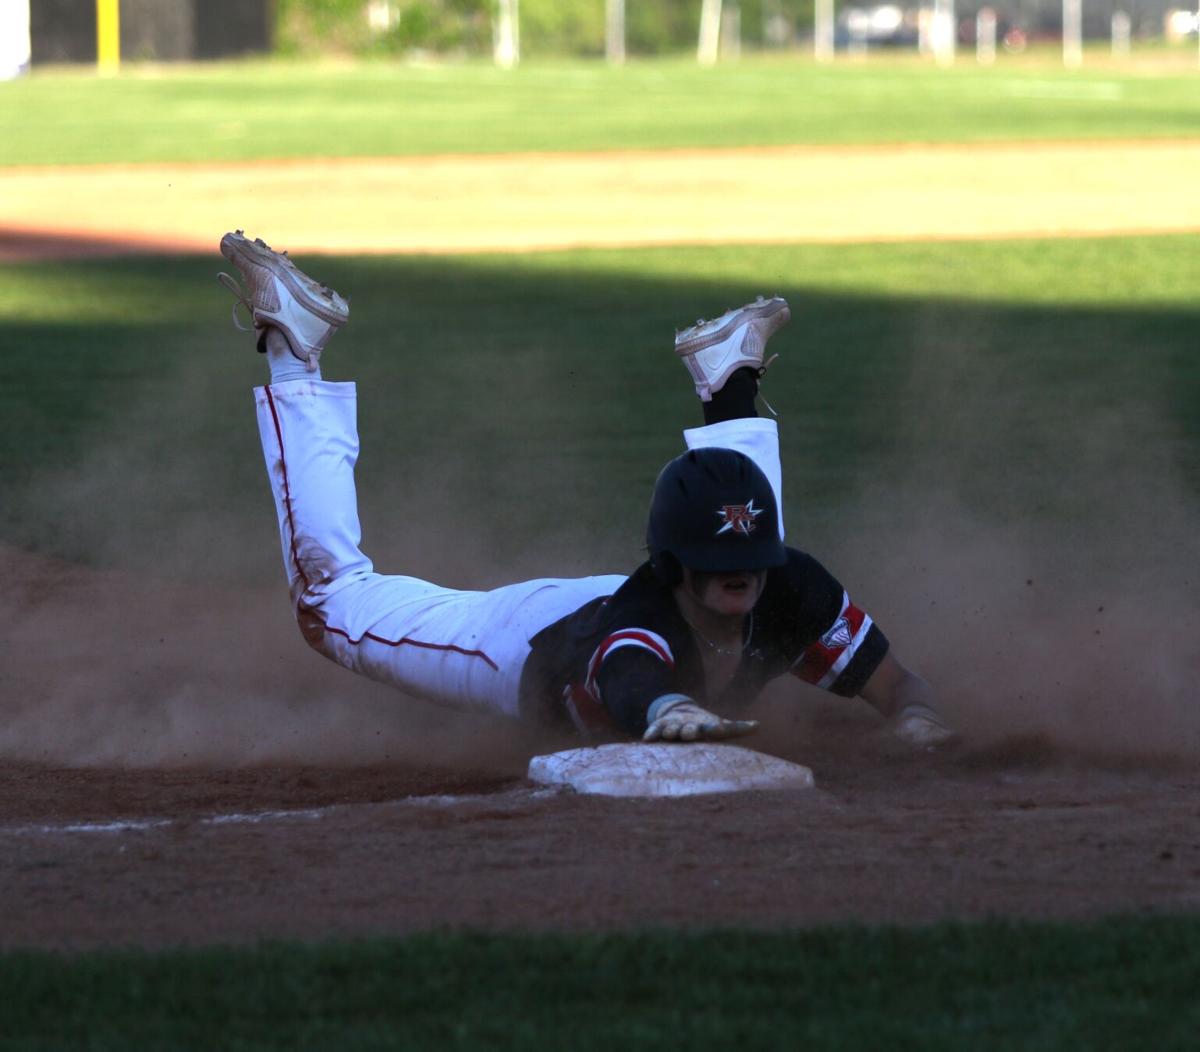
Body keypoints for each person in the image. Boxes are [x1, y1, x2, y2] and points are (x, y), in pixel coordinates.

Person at [219, 231, 954, 749]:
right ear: (676, 565)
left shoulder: (786, 585)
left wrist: (916, 720)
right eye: (720, 562)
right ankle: (293, 353)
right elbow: (636, 681)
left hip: (647, 602)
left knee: (750, 542)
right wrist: (669, 709)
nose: (742, 572)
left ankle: (731, 382)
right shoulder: (637, 629)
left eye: (749, 560)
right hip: (526, 640)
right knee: (330, 603)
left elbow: (899, 684)